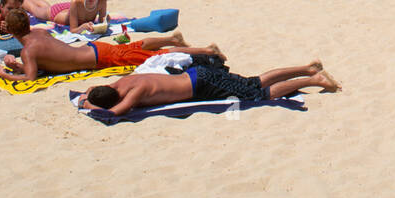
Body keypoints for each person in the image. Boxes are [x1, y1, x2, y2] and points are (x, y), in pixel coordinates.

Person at [0, 11, 216, 81]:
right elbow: (46, 63)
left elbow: (31, 78)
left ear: (11, 31)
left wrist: (5, 74)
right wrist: (19, 66)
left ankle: (207, 50)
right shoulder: (39, 33)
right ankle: (171, 38)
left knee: (155, 56)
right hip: (95, 50)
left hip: (100, 59)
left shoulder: (27, 51)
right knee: (136, 46)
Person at [78, 58, 340, 114]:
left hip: (202, 85)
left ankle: (313, 79)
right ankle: (307, 67)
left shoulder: (133, 93)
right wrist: (89, 96)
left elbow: (115, 112)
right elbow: (93, 90)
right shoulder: (125, 82)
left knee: (256, 93)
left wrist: (88, 104)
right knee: (254, 80)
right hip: (197, 72)